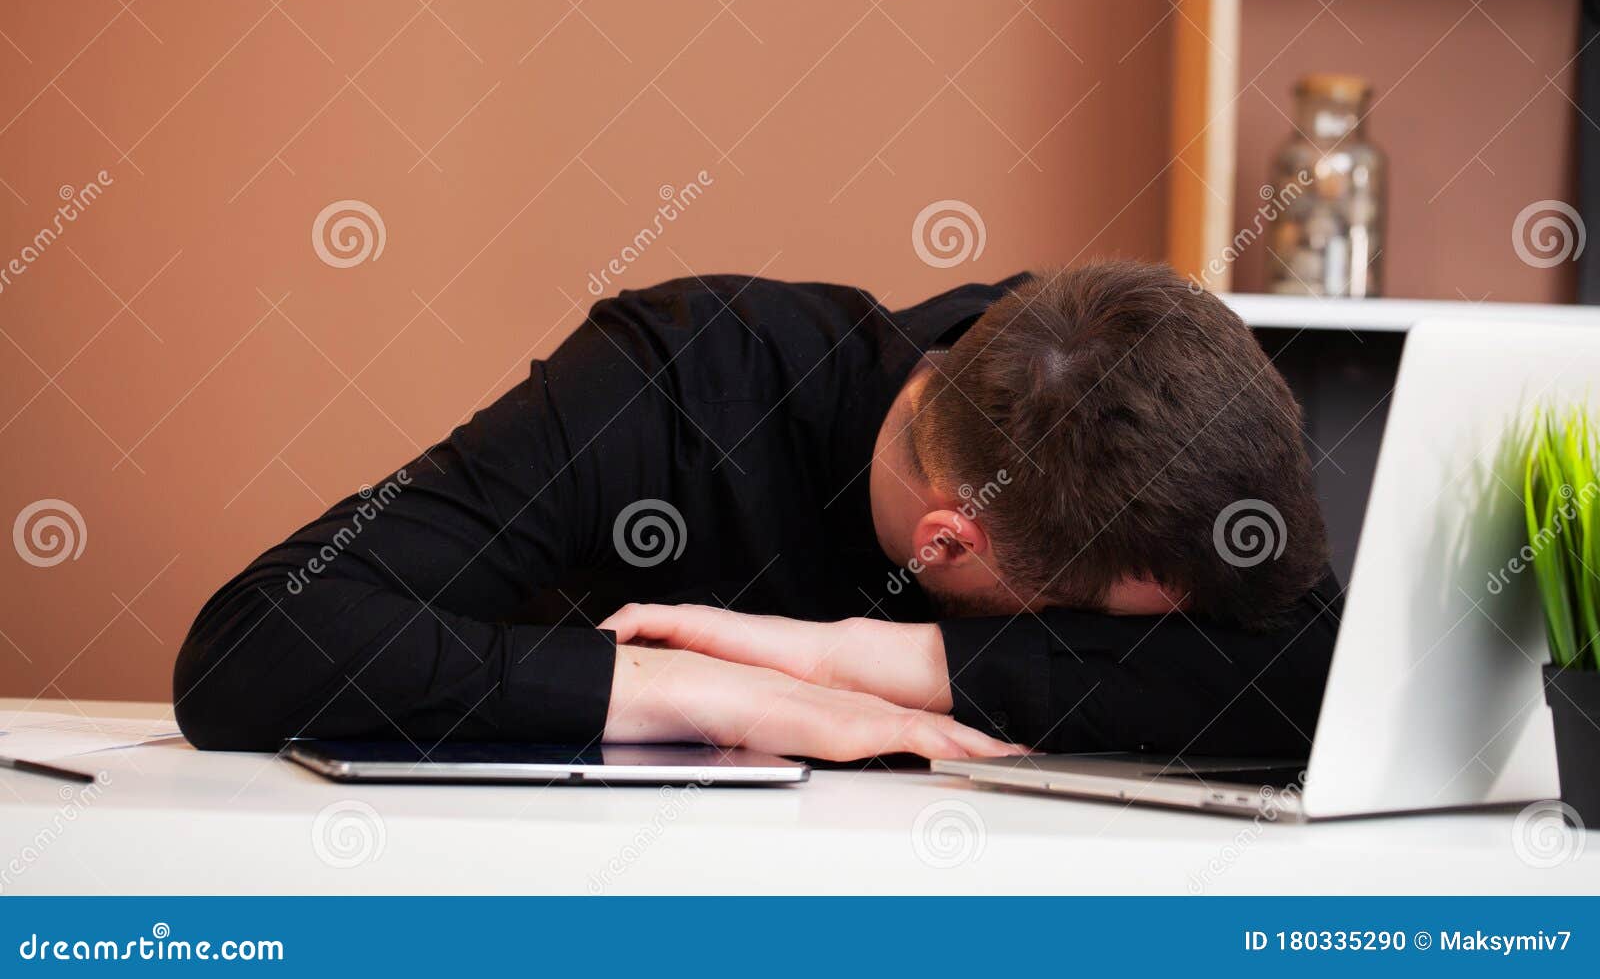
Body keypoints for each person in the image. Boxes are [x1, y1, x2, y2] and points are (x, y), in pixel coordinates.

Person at [173, 262, 1339, 762]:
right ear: (950, 541)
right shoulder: (671, 380)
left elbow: (1326, 660)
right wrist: (684, 687)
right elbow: (255, 643)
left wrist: (871, 658)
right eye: (1086, 618)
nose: (1102, 638)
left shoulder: (1110, 390)